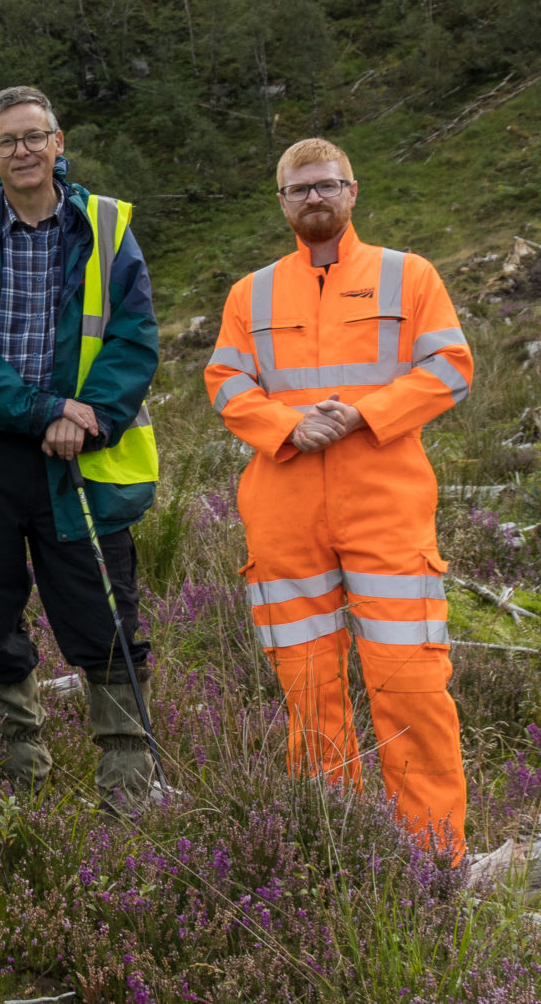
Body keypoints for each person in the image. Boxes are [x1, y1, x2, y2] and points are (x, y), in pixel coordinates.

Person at [206, 138, 470, 862]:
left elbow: (451, 367)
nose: (313, 197)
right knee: (308, 689)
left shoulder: (407, 275)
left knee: (411, 684)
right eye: (299, 189)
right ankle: (339, 848)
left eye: (326, 185)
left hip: (386, 506)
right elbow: (226, 385)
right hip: (283, 509)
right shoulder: (249, 294)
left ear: (353, 191)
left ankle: (432, 858)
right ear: (283, 203)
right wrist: (289, 424)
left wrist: (361, 414)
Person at [0, 86, 161, 806]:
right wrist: (44, 409)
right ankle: (20, 770)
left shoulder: (109, 226)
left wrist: (85, 418)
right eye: (6, 142)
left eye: (34, 136)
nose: (22, 151)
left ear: (59, 143)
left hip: (82, 454)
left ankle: (128, 783)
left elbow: (135, 335)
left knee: (104, 611)